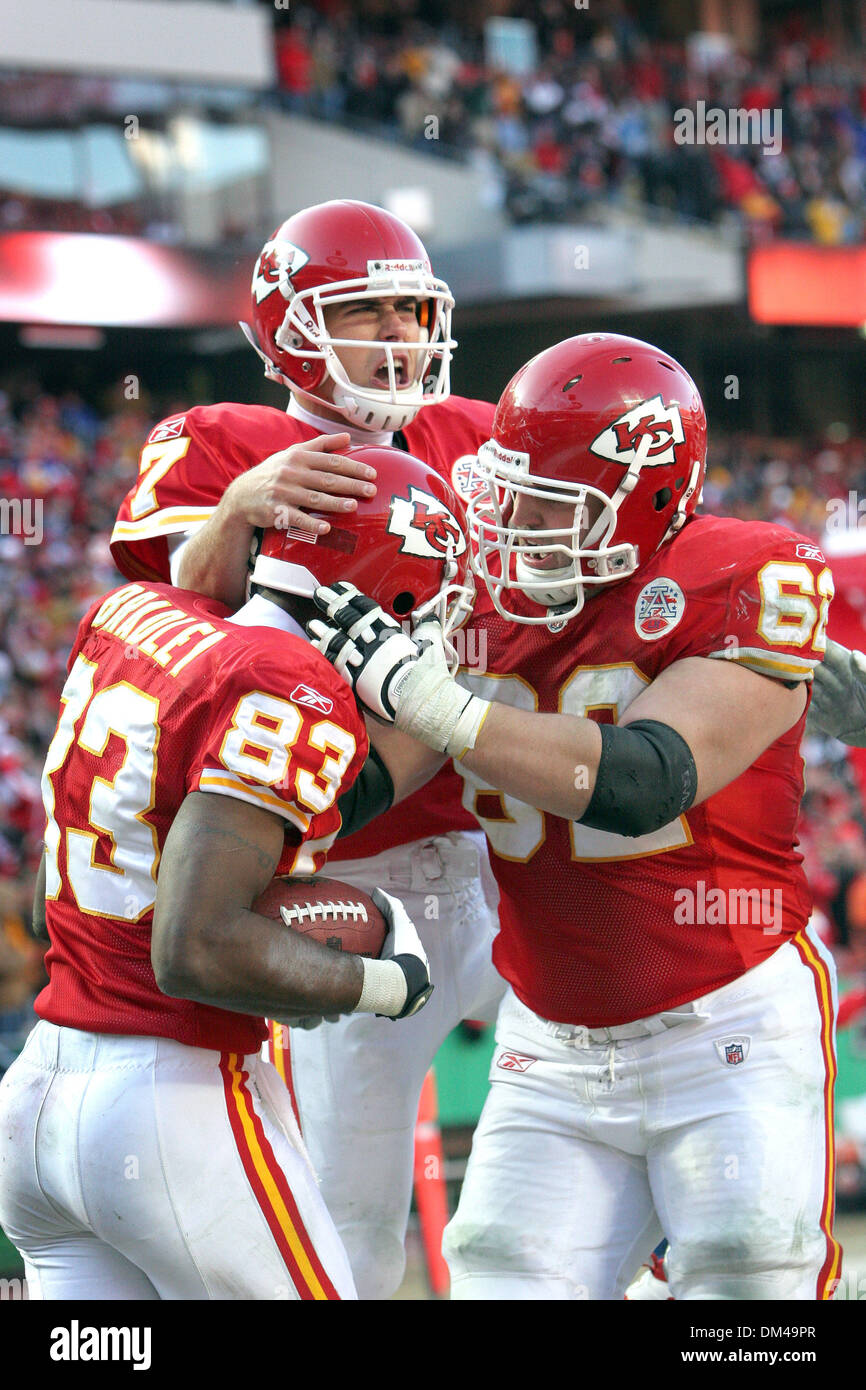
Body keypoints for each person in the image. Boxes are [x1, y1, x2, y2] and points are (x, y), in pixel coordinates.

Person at [308, 331, 840, 1300]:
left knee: (744, 1287)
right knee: (504, 1280)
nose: (516, 528)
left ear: (647, 501)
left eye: (549, 505)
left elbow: (642, 781)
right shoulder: (483, 595)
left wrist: (436, 699)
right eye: (507, 496)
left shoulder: (747, 571)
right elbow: (365, 788)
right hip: (549, 1036)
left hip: (723, 1021)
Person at [109, 198, 505, 1299]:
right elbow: (173, 627)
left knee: (594, 1111)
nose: (397, 337)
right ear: (288, 325)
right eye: (366, 311)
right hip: (347, 869)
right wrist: (235, 513)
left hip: (504, 855)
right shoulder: (221, 443)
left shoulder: (474, 436)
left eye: (409, 312)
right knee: (346, 1214)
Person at [0, 445, 466, 1300]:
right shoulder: (286, 683)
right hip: (174, 1103)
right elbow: (196, 947)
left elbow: (42, 908)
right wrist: (377, 983)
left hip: (38, 1100)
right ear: (380, 595)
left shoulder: (131, 612)